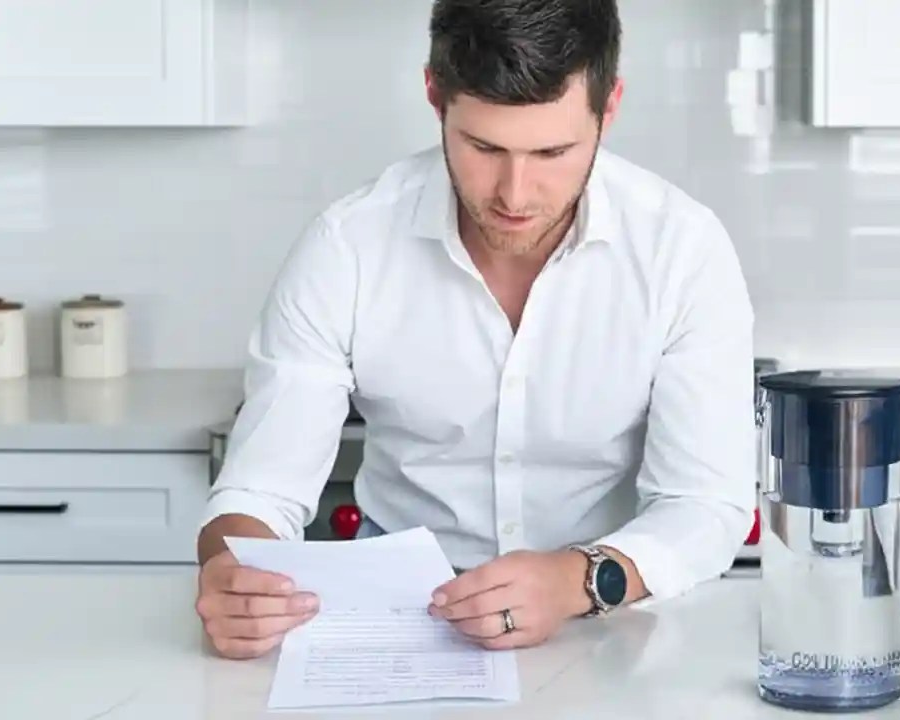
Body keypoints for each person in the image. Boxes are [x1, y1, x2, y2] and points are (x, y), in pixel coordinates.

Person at [194, 0, 757, 661]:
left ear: (610, 109)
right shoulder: (347, 246)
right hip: (398, 616)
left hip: (609, 613)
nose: (515, 195)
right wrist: (232, 571)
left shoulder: (682, 250)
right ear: (435, 94)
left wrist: (578, 577)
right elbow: (261, 489)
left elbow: (705, 504)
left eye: (552, 151)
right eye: (484, 147)